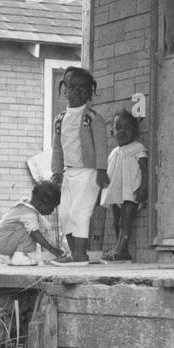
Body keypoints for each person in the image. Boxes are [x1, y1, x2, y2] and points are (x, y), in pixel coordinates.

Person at [50, 66, 109, 265]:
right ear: (65, 89)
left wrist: (101, 170)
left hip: (89, 172)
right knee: (65, 213)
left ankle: (81, 253)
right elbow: (57, 148)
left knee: (79, 212)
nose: (77, 92)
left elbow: (101, 145)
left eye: (83, 88)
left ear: (90, 91)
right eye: (73, 87)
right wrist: (56, 171)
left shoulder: (92, 118)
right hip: (69, 173)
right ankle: (73, 252)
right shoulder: (60, 119)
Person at [100, 111, 149, 262]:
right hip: (117, 193)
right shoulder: (114, 152)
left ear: (135, 130)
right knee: (116, 221)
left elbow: (144, 169)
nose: (122, 131)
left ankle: (119, 251)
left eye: (127, 127)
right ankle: (123, 251)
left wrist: (143, 188)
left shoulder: (138, 148)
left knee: (125, 220)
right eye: (118, 128)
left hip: (131, 191)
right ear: (112, 132)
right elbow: (110, 173)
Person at [0, 181, 63, 266]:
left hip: (3, 241)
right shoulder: (29, 213)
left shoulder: (27, 207)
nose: (52, 212)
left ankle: (15, 258)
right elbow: (34, 232)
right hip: (4, 242)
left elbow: (45, 225)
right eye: (51, 208)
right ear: (41, 204)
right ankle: (20, 256)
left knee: (32, 229)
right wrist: (51, 249)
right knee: (33, 231)